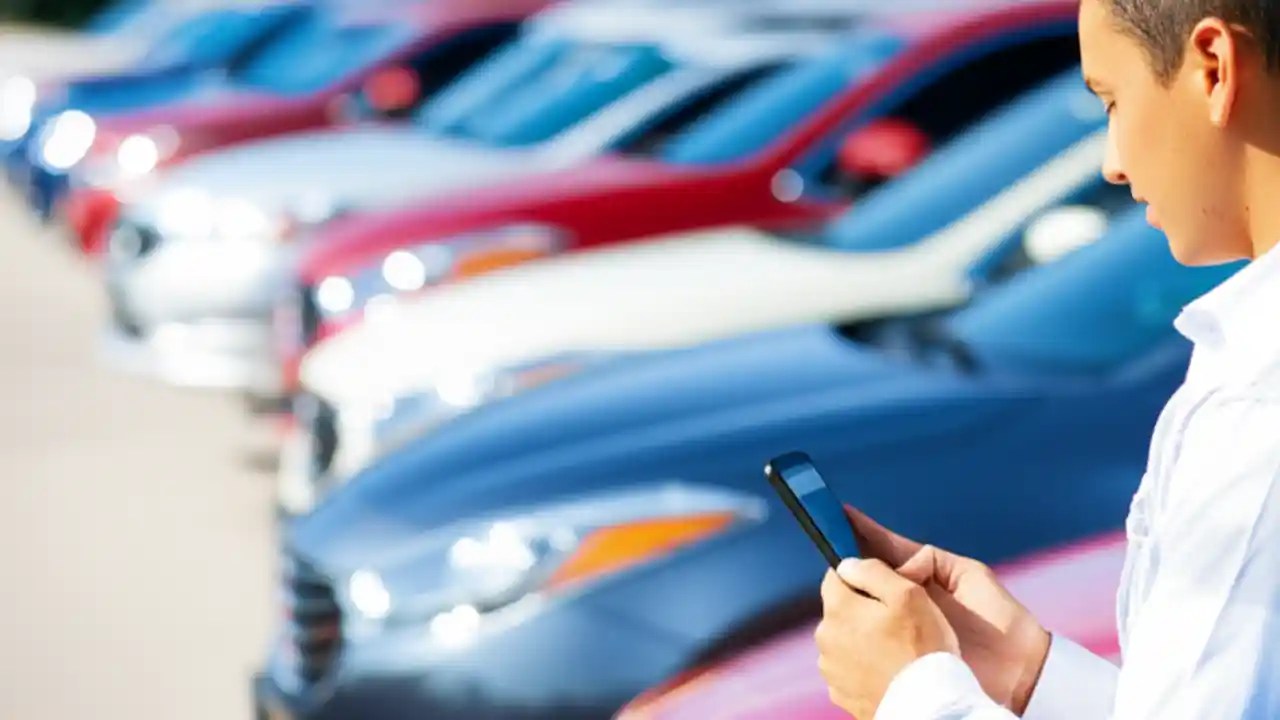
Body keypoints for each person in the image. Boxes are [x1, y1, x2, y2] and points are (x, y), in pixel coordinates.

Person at [815, 1, 1280, 718]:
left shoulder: (1258, 413)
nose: (1113, 164)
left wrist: (915, 693)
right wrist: (1032, 676)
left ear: (1213, 68)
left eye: (1114, 100)